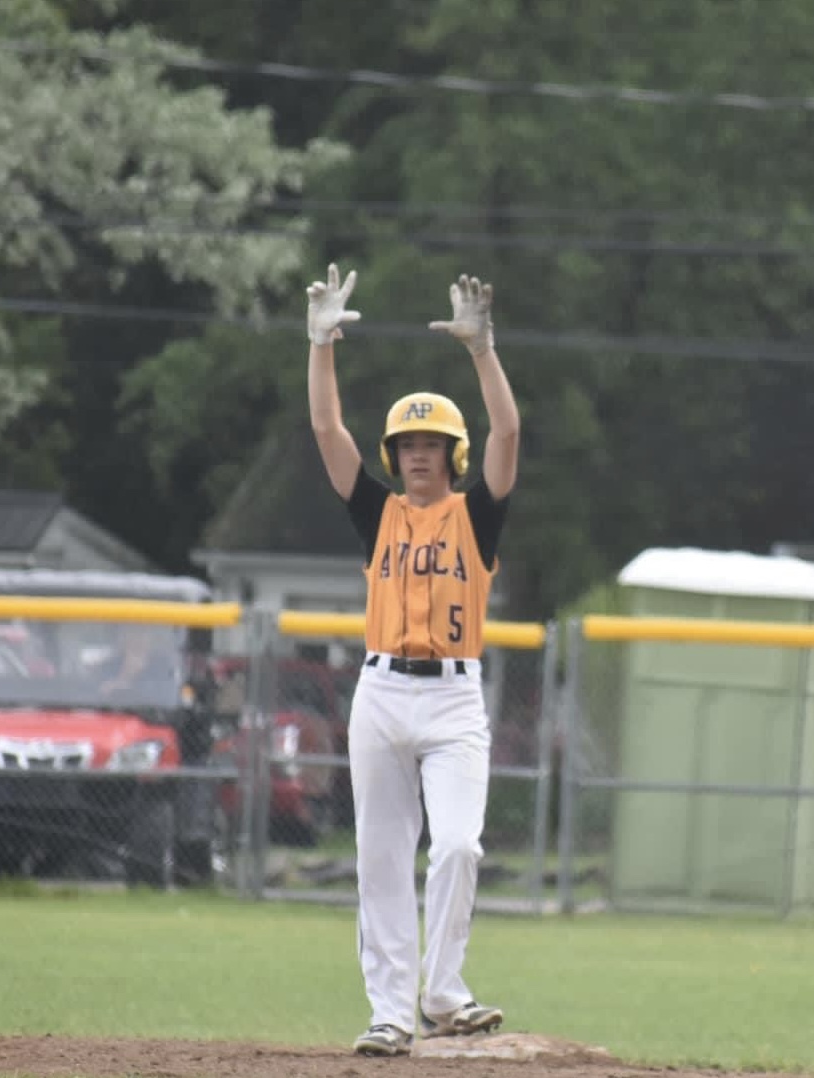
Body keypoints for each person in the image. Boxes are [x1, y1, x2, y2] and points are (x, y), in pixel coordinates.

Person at [305, 263, 521, 1057]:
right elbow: (329, 434)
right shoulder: (379, 514)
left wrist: (482, 352)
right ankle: (390, 1011)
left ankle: (442, 989)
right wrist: (321, 346)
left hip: (455, 701)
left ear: (453, 454)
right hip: (382, 694)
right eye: (407, 443)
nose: (419, 454)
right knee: (381, 858)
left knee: (459, 845)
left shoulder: (478, 519)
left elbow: (510, 435)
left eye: (433, 443)